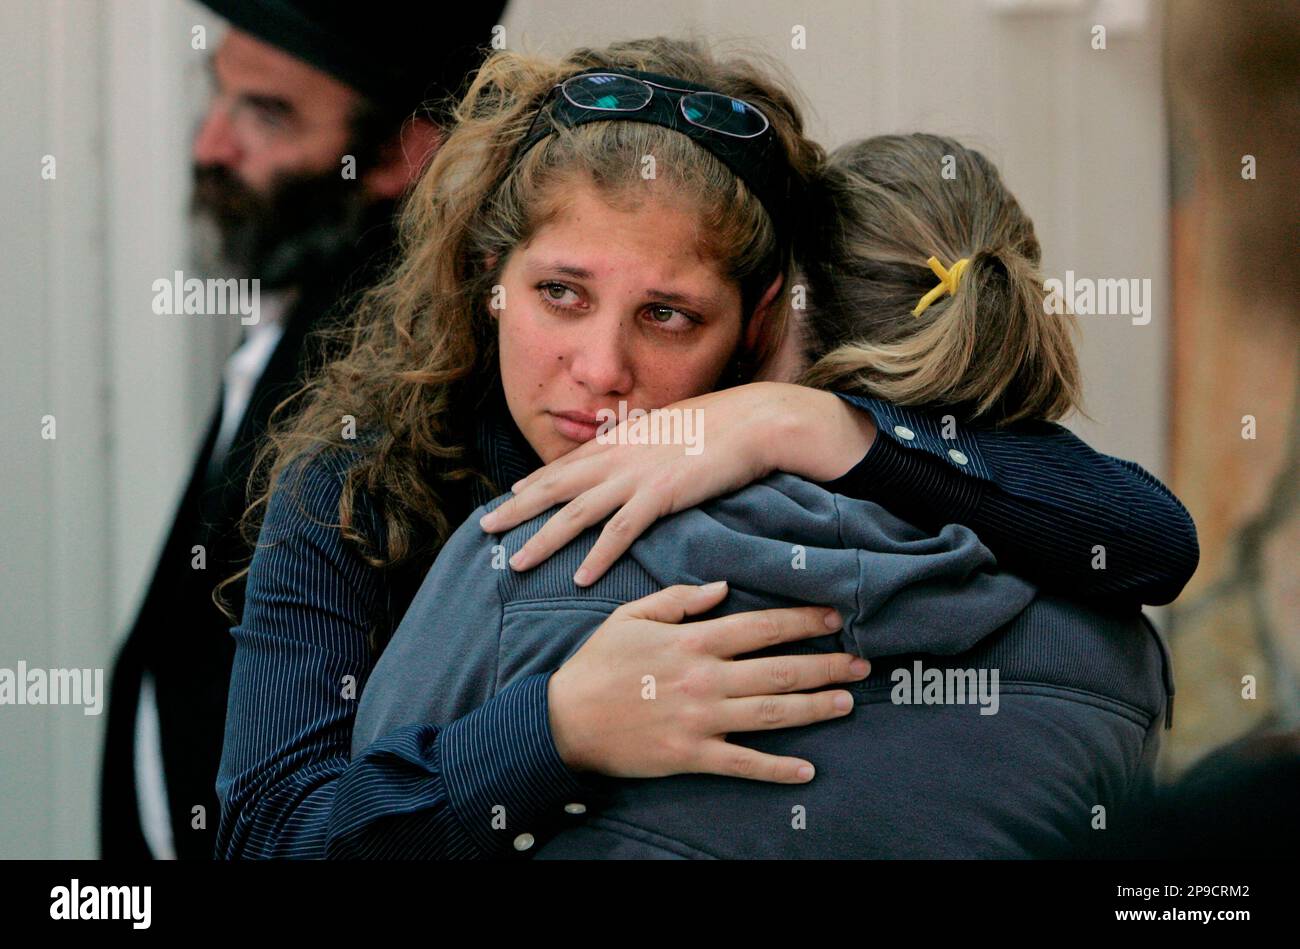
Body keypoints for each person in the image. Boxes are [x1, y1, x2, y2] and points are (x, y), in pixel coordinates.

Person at [216, 39, 1196, 860]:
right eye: (560, 292)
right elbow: (268, 835)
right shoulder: (359, 490)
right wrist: (554, 730)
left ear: (758, 321)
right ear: (487, 274)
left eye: (668, 314)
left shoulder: (777, 473)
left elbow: (1150, 538)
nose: (600, 366)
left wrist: (816, 427)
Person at [100, 1, 505, 859]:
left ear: (407, 153)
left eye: (268, 113)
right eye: (220, 97)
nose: (212, 146)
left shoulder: (401, 377)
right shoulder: (296, 307)